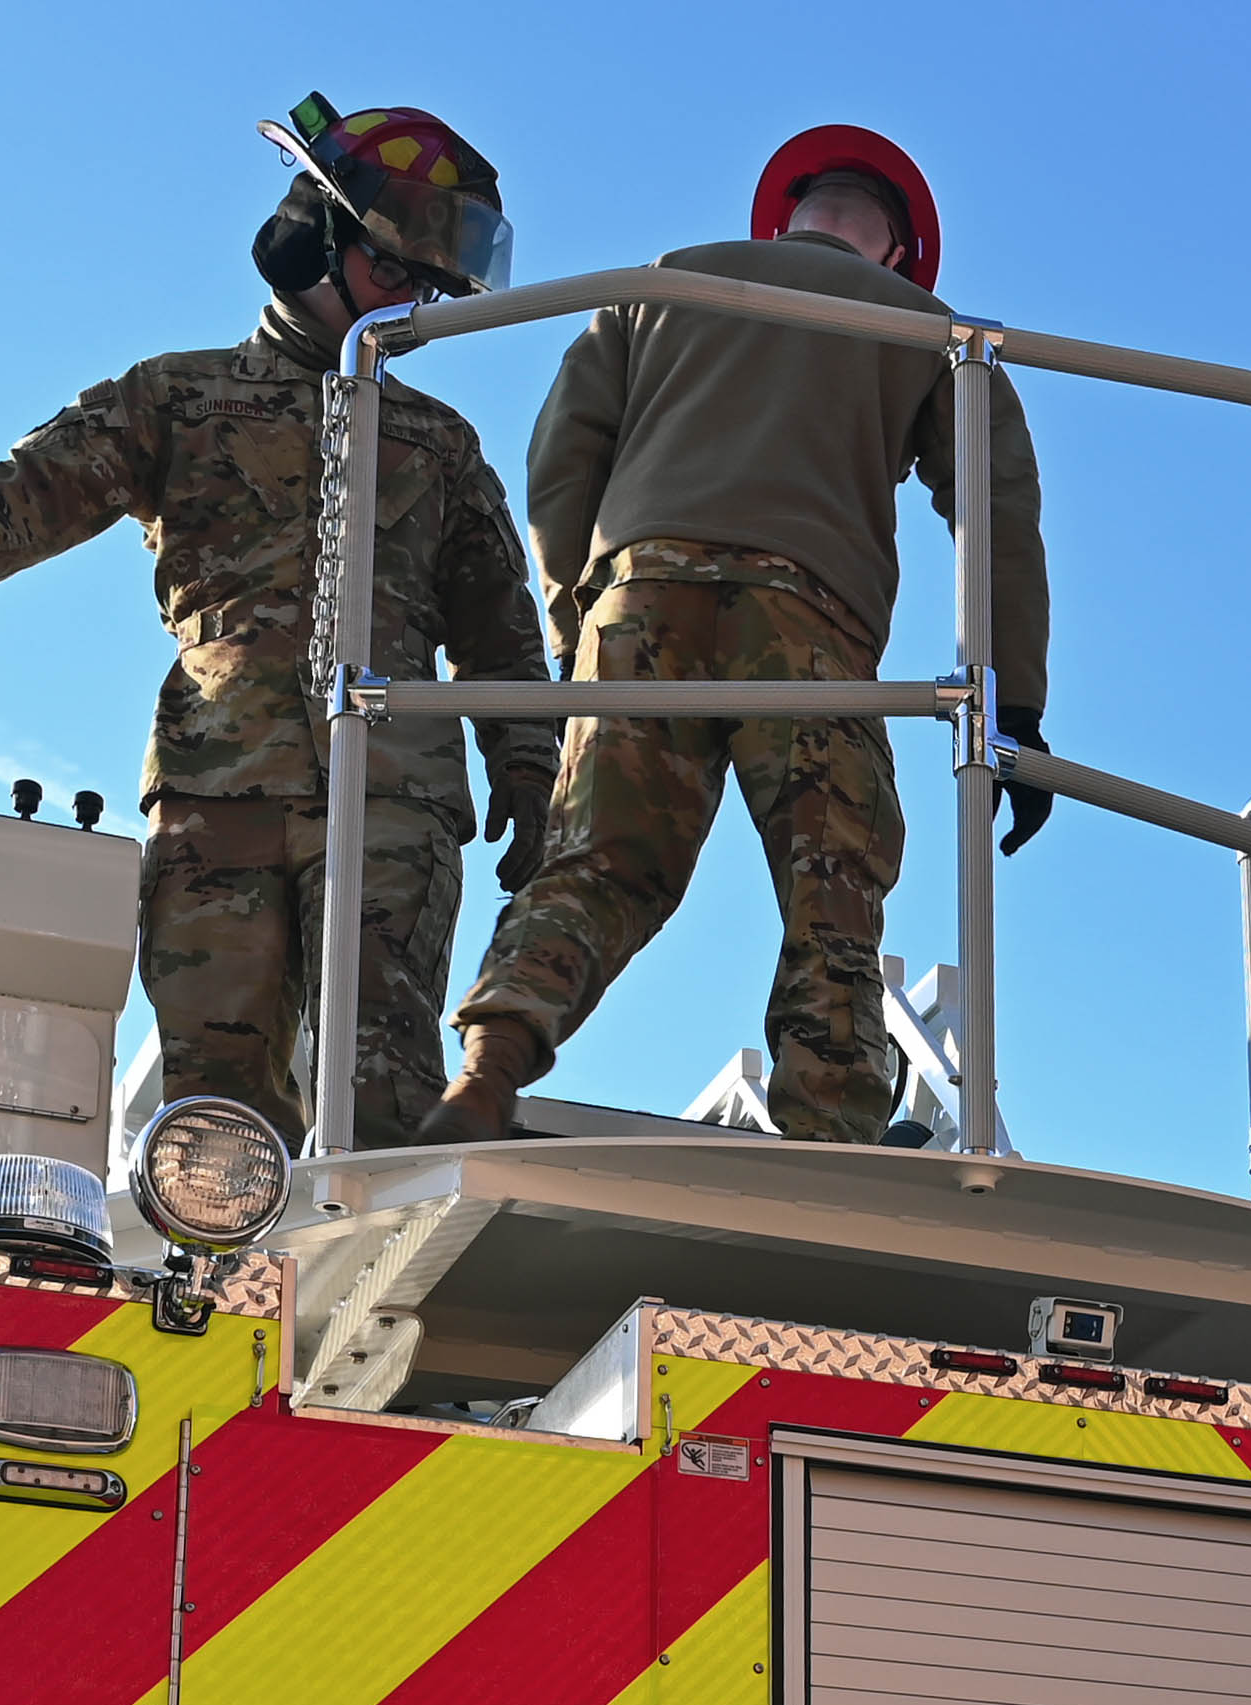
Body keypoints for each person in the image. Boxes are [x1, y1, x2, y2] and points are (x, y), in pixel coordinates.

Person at [0, 94, 555, 1149]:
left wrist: (527, 765)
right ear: (309, 244)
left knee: (380, 1092)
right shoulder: (180, 397)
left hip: (393, 798)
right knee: (214, 1112)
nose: (407, 300)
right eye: (387, 272)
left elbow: (500, 629)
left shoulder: (441, 443)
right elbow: (29, 494)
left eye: (425, 284)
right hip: (215, 786)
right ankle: (227, 1305)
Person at [423, 125, 1055, 1146]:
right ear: (895, 249)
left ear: (782, 217)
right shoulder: (932, 332)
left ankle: (488, 1073)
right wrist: (1011, 706)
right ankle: (828, 1145)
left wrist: (576, 621)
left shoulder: (665, 283)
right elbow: (996, 511)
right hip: (809, 624)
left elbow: (561, 458)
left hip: (638, 595)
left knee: (595, 864)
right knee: (830, 894)